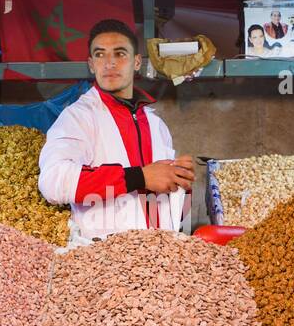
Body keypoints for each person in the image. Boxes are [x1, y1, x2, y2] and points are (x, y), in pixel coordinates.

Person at [39, 19, 192, 244]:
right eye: (100, 55)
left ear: (137, 62)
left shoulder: (155, 123)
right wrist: (139, 176)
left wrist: (182, 182)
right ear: (91, 64)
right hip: (105, 261)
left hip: (161, 258)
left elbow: (170, 200)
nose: (109, 63)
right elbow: (53, 182)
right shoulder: (78, 117)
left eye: (120, 53)